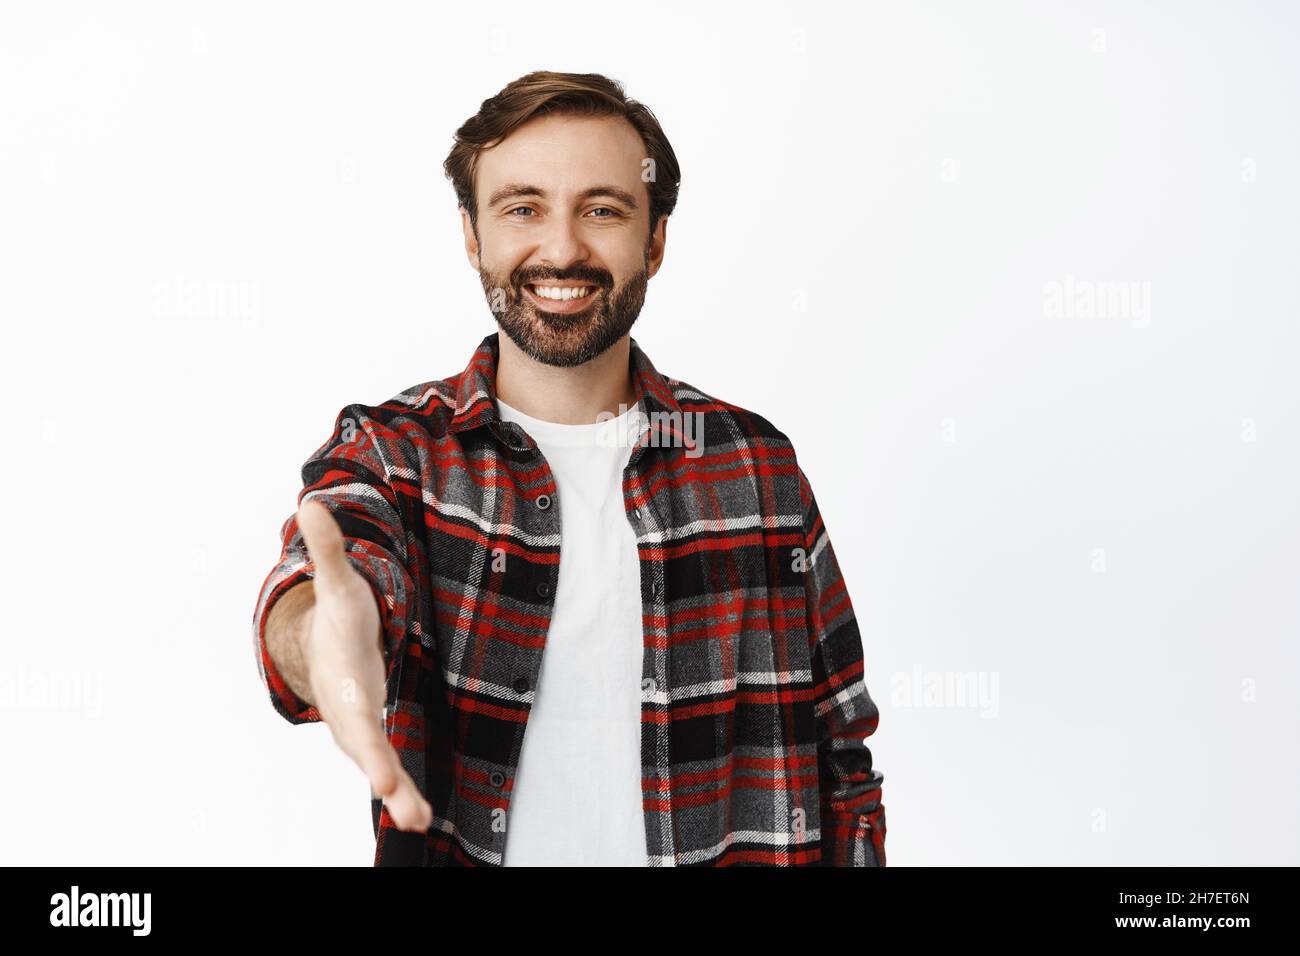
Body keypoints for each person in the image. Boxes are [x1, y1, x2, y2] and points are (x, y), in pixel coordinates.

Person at [252, 70, 886, 866]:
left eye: (603, 210)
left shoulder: (756, 468)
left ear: (655, 240)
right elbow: (324, 585)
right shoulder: (395, 453)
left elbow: (844, 757)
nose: (561, 248)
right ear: (472, 235)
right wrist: (322, 639)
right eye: (523, 208)